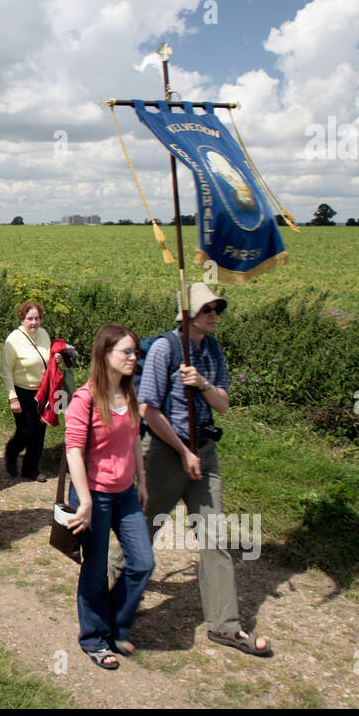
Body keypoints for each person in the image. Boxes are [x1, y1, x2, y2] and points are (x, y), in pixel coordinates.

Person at [136, 281, 272, 657]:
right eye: (207, 310)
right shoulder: (166, 348)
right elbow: (148, 409)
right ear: (187, 315)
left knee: (214, 539)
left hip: (206, 453)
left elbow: (224, 404)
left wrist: (202, 383)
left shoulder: (212, 350)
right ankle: (111, 606)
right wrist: (182, 451)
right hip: (165, 454)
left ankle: (225, 626)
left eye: (217, 309)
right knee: (141, 532)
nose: (214, 316)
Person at [63, 324, 155, 670]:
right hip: (95, 495)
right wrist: (84, 501)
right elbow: (74, 450)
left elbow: (133, 439)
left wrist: (141, 480)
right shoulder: (85, 399)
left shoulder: (129, 393)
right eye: (126, 352)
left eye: (135, 352)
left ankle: (114, 621)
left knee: (143, 563)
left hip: (126, 493)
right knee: (96, 569)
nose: (134, 358)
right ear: (105, 355)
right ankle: (94, 639)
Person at [1, 300, 52, 481]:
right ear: (22, 319)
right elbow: (6, 370)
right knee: (26, 431)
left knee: (39, 432)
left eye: (37, 318)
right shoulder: (13, 339)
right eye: (29, 318)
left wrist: (58, 358)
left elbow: (49, 357)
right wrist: (12, 398)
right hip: (22, 392)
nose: (34, 323)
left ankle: (31, 469)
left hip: (42, 392)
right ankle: (12, 452)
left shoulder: (44, 334)